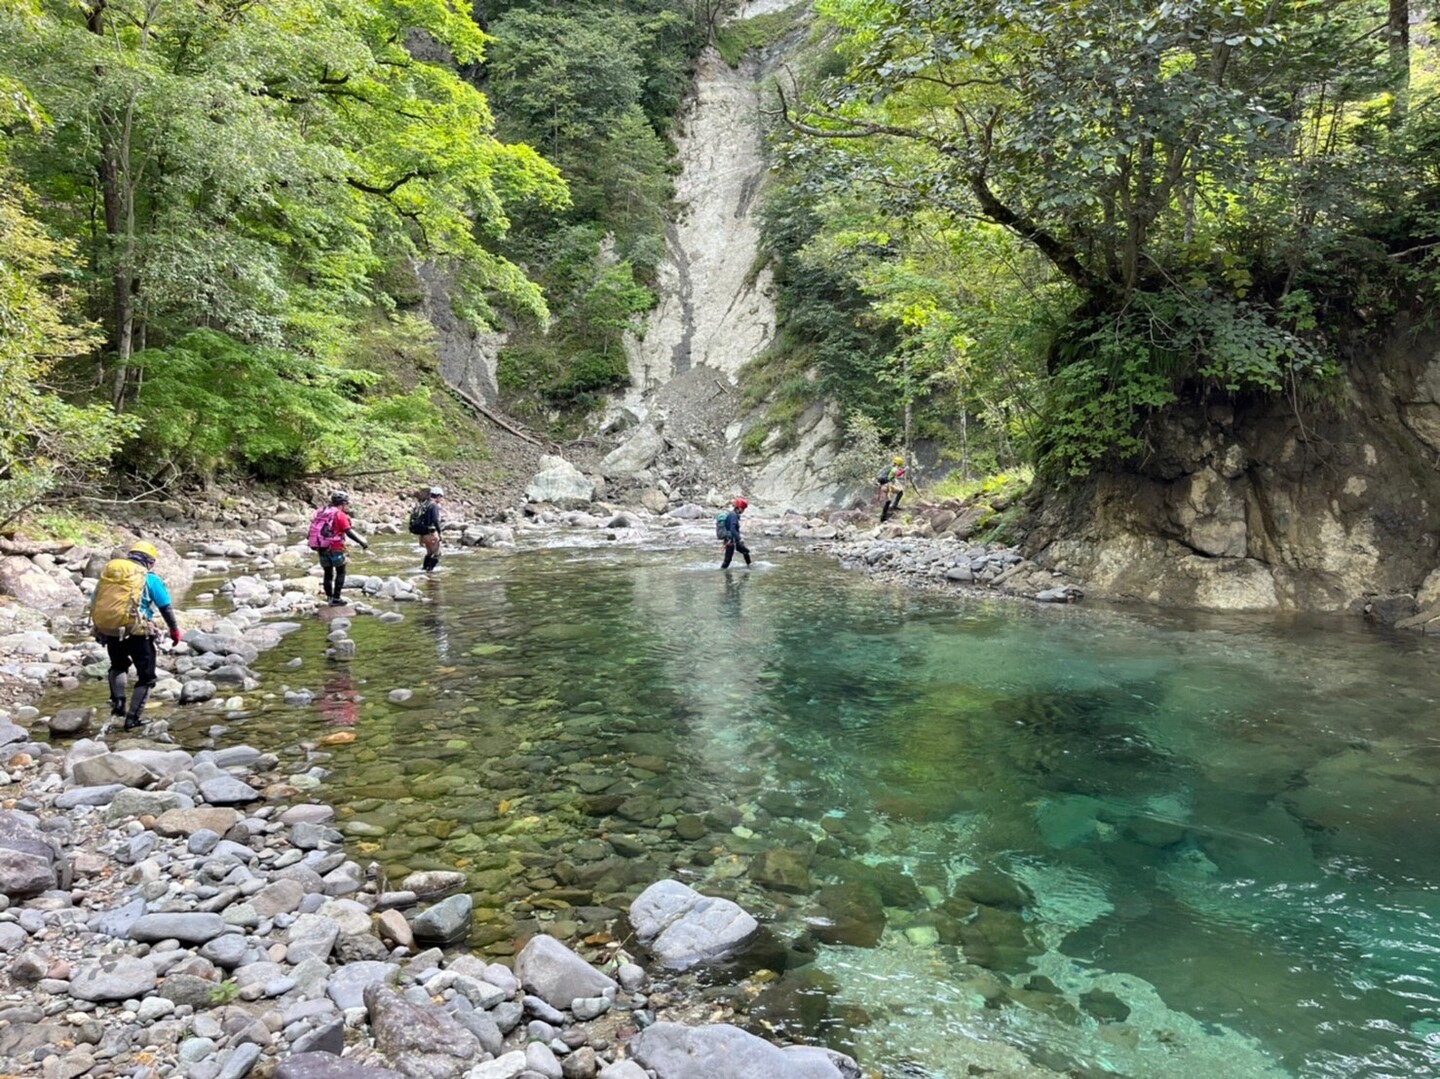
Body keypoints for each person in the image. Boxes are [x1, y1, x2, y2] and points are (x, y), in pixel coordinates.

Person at [90, 541, 182, 730]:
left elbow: (94, 602)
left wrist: (100, 628)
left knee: (118, 666)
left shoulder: (110, 578)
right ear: (149, 562)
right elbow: (165, 606)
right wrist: (174, 630)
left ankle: (119, 704)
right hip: (138, 633)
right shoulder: (149, 578)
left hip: (112, 631)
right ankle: (132, 720)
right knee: (146, 677)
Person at [313, 491, 369, 606]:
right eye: (347, 504)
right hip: (335, 548)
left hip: (322, 547)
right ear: (342, 504)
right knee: (340, 572)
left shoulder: (321, 512)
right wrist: (361, 542)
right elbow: (348, 531)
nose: (348, 506)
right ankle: (336, 598)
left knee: (327, 573)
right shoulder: (339, 514)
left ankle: (329, 598)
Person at [410, 485, 444, 572]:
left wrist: (421, 536)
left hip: (423, 534)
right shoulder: (433, 506)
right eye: (441, 497)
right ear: (439, 496)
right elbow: (435, 521)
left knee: (429, 553)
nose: (442, 499)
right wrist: (439, 534)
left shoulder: (423, 504)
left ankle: (424, 570)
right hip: (431, 533)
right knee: (437, 553)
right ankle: (429, 571)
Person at [720, 497, 752, 569]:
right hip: (730, 540)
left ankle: (749, 566)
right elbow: (732, 529)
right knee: (727, 560)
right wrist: (740, 538)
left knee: (745, 551)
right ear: (739, 507)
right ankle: (724, 574)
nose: (743, 510)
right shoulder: (733, 515)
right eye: (743, 508)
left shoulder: (733, 514)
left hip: (733, 539)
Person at [879, 455, 907, 522]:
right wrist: (904, 470)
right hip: (888, 485)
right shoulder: (894, 468)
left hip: (884, 485)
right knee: (900, 492)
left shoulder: (889, 467)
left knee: (888, 501)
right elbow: (898, 474)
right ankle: (893, 507)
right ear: (899, 464)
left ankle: (883, 517)